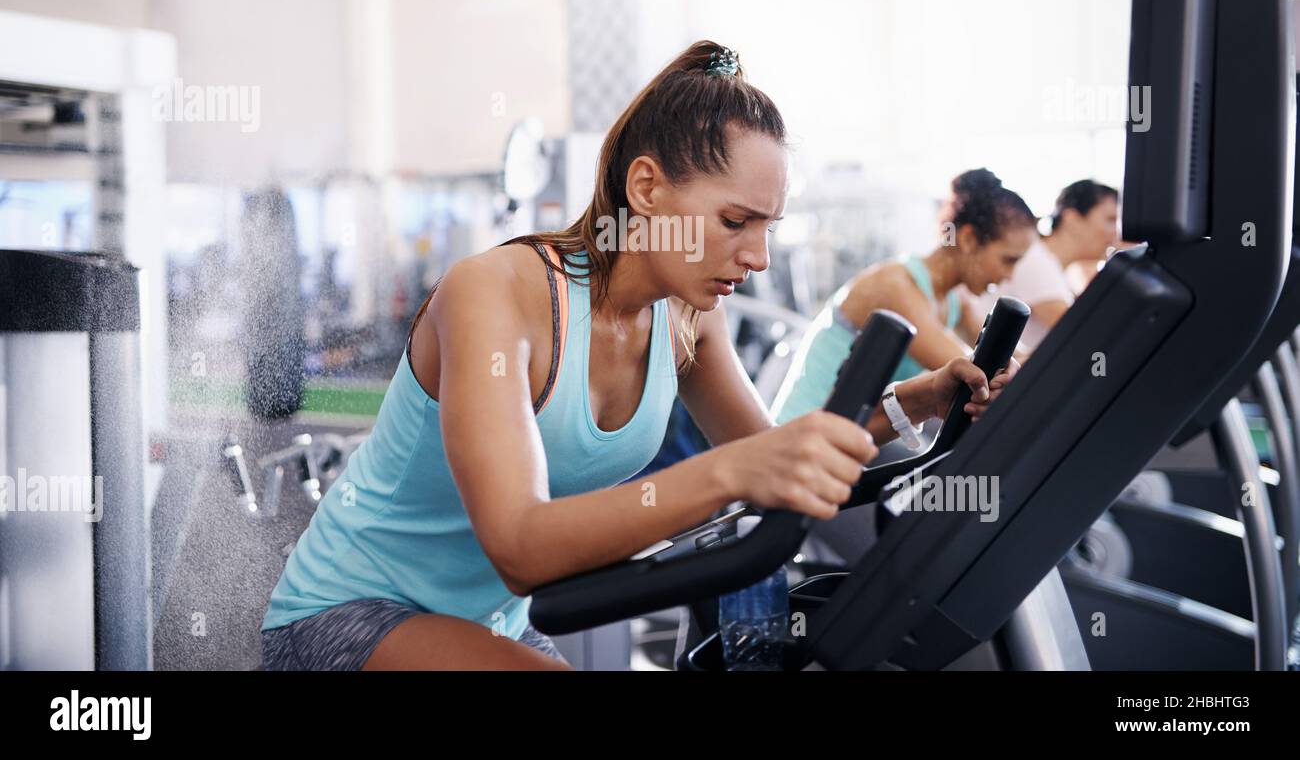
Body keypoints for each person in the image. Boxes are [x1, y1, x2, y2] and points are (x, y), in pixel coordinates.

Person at [259, 41, 1014, 670]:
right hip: (349, 611)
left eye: (768, 227)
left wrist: (914, 401)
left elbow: (770, 460)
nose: (756, 254)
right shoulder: (495, 292)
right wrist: (726, 474)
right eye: (735, 221)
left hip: (493, 622)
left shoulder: (688, 318)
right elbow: (520, 543)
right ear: (646, 186)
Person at [771, 169, 1037, 425]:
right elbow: (977, 378)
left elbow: (1016, 356)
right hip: (802, 432)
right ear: (967, 239)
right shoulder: (896, 287)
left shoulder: (954, 299)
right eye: (1008, 260)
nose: (1010, 275)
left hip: (859, 430)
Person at [972, 179, 1119, 353]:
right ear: (1072, 218)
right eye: (1110, 219)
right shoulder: (1037, 261)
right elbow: (1085, 337)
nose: (1115, 233)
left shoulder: (1060, 271)